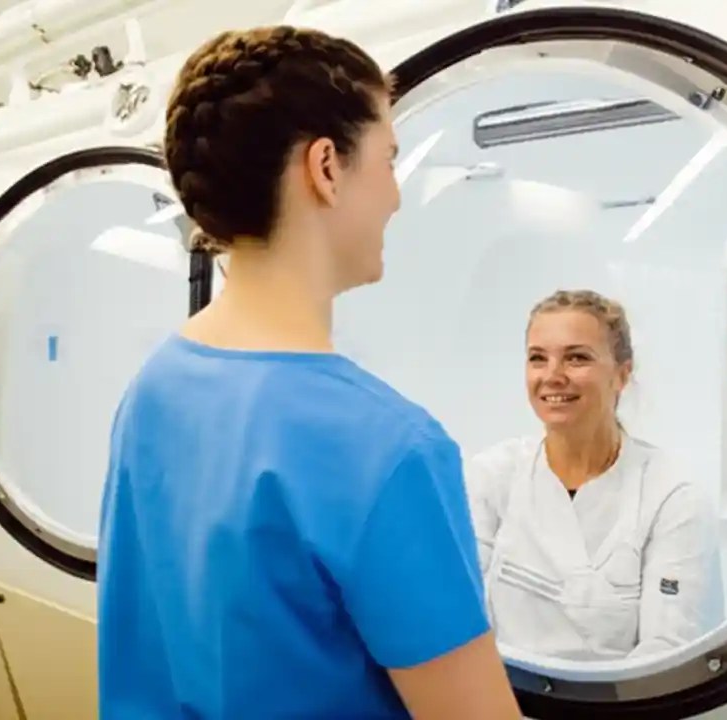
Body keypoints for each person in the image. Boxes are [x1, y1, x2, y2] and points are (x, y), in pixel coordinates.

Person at [96, 26, 520, 720]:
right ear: (326, 167)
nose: (396, 197)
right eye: (388, 161)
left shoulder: (155, 388)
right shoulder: (385, 445)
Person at [466, 289, 708, 662]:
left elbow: (664, 647)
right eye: (537, 359)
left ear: (621, 375)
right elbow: (461, 615)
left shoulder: (670, 492)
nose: (552, 376)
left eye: (576, 358)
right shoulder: (494, 475)